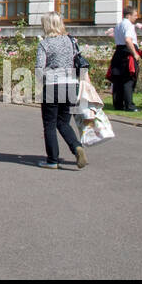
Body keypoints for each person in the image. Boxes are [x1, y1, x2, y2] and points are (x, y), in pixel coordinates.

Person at [35, 11, 87, 169]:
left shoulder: (45, 44)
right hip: (70, 83)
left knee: (49, 124)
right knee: (64, 122)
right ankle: (76, 146)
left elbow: (39, 67)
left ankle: (52, 159)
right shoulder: (71, 41)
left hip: (52, 84)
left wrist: (40, 83)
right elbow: (80, 62)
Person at [108, 5, 141, 111]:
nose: (136, 17)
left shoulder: (118, 25)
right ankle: (129, 105)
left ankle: (118, 104)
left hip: (119, 52)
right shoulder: (129, 25)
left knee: (118, 80)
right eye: (135, 15)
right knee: (128, 79)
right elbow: (128, 40)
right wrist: (135, 53)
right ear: (128, 15)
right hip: (127, 53)